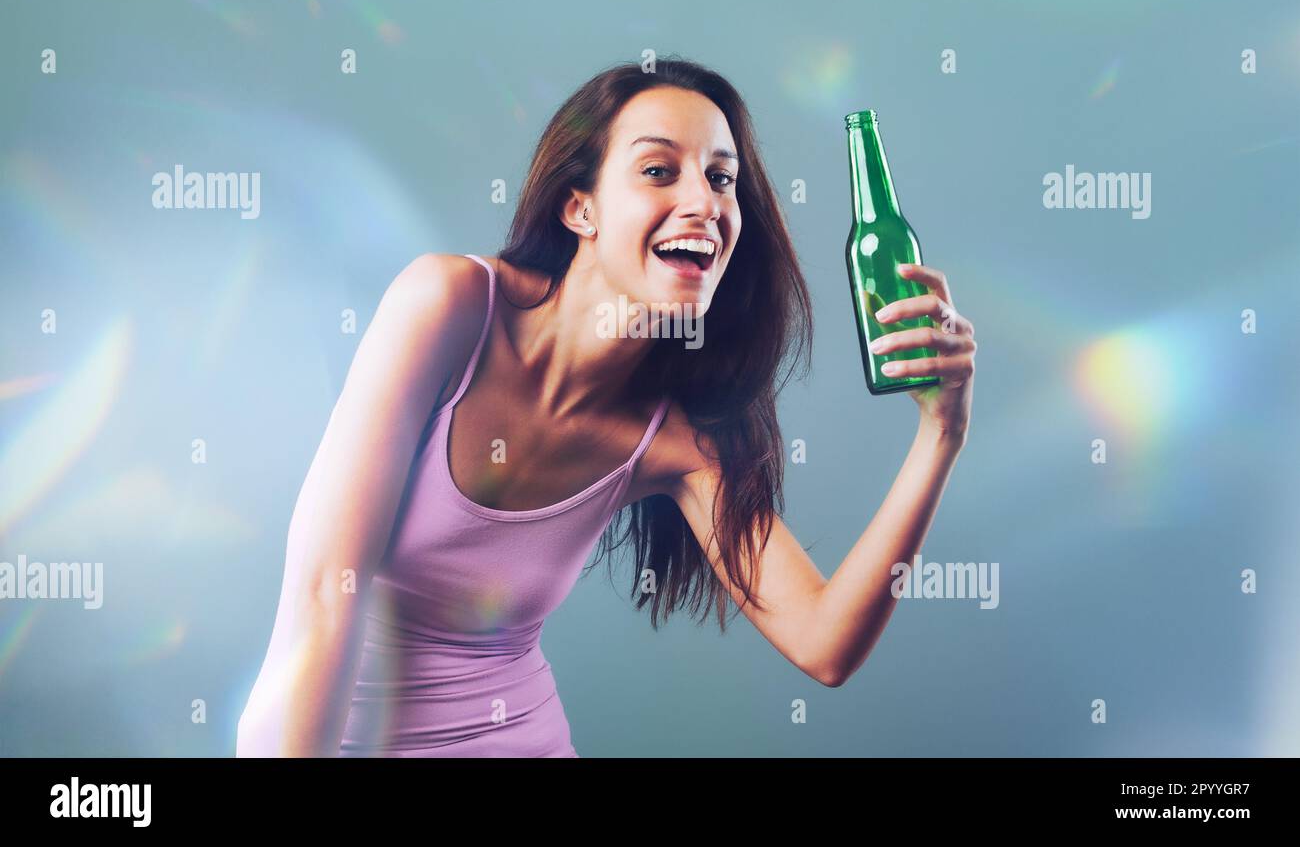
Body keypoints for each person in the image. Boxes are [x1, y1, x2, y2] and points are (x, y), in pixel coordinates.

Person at [235, 57, 976, 757]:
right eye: (659, 171)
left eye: (723, 180)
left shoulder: (677, 441)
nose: (705, 204)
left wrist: (940, 433)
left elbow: (825, 642)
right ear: (579, 207)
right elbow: (322, 599)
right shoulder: (448, 306)